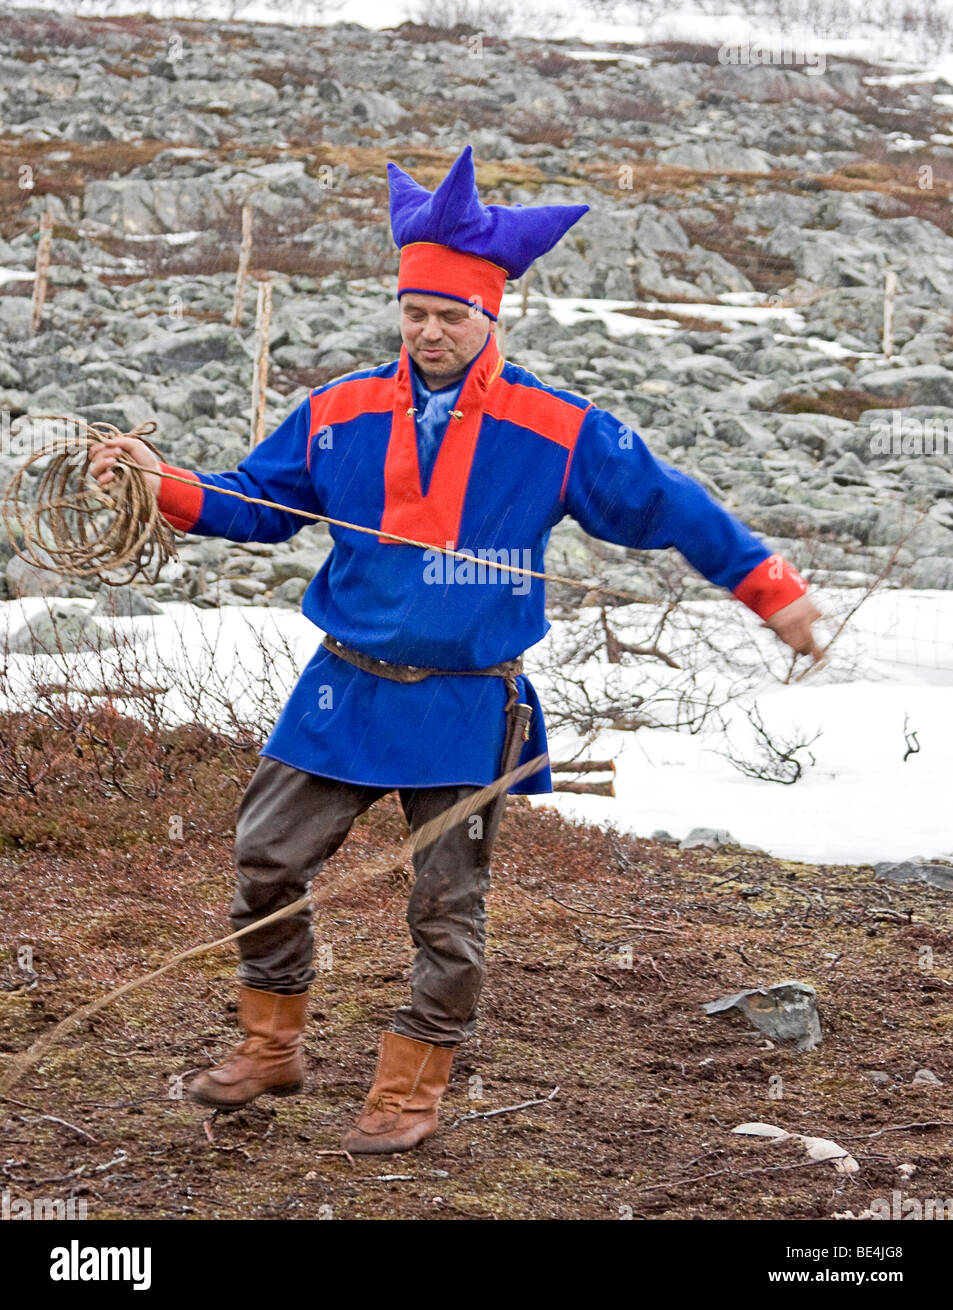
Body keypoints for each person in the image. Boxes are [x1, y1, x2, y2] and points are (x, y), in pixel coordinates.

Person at [89, 145, 822, 1155]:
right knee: (264, 858)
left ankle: (411, 1085)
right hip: (343, 687)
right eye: (413, 312)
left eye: (450, 315)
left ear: (489, 316)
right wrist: (157, 480)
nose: (429, 331)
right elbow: (252, 506)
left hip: (467, 702)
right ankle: (272, 1042)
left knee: (445, 910)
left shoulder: (558, 429)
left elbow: (672, 507)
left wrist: (767, 589)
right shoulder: (339, 411)